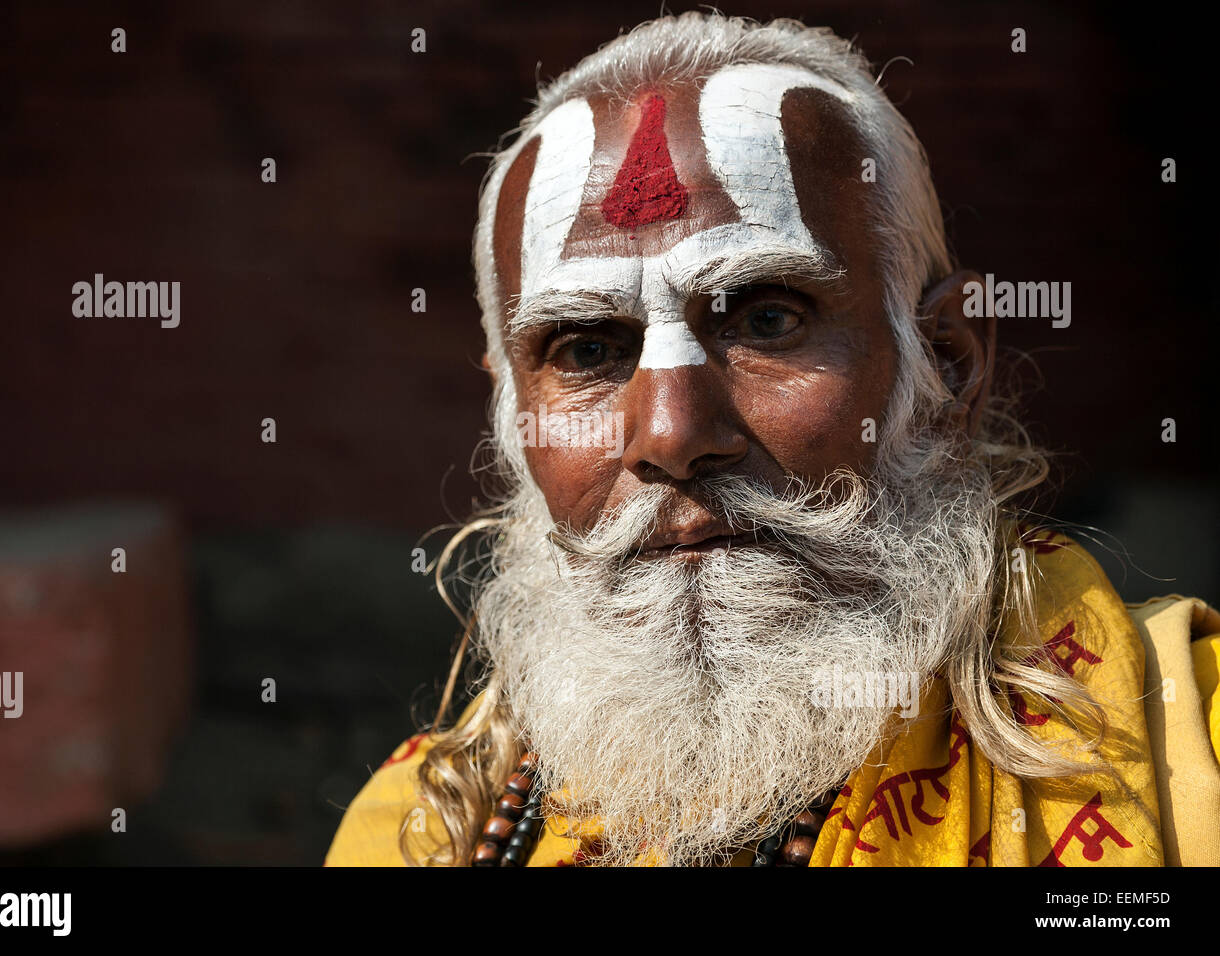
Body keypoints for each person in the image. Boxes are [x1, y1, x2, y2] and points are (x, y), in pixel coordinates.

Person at [326, 11, 1220, 867]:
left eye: (764, 319)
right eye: (589, 349)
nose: (672, 437)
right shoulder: (413, 832)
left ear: (945, 365)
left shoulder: (1198, 746)